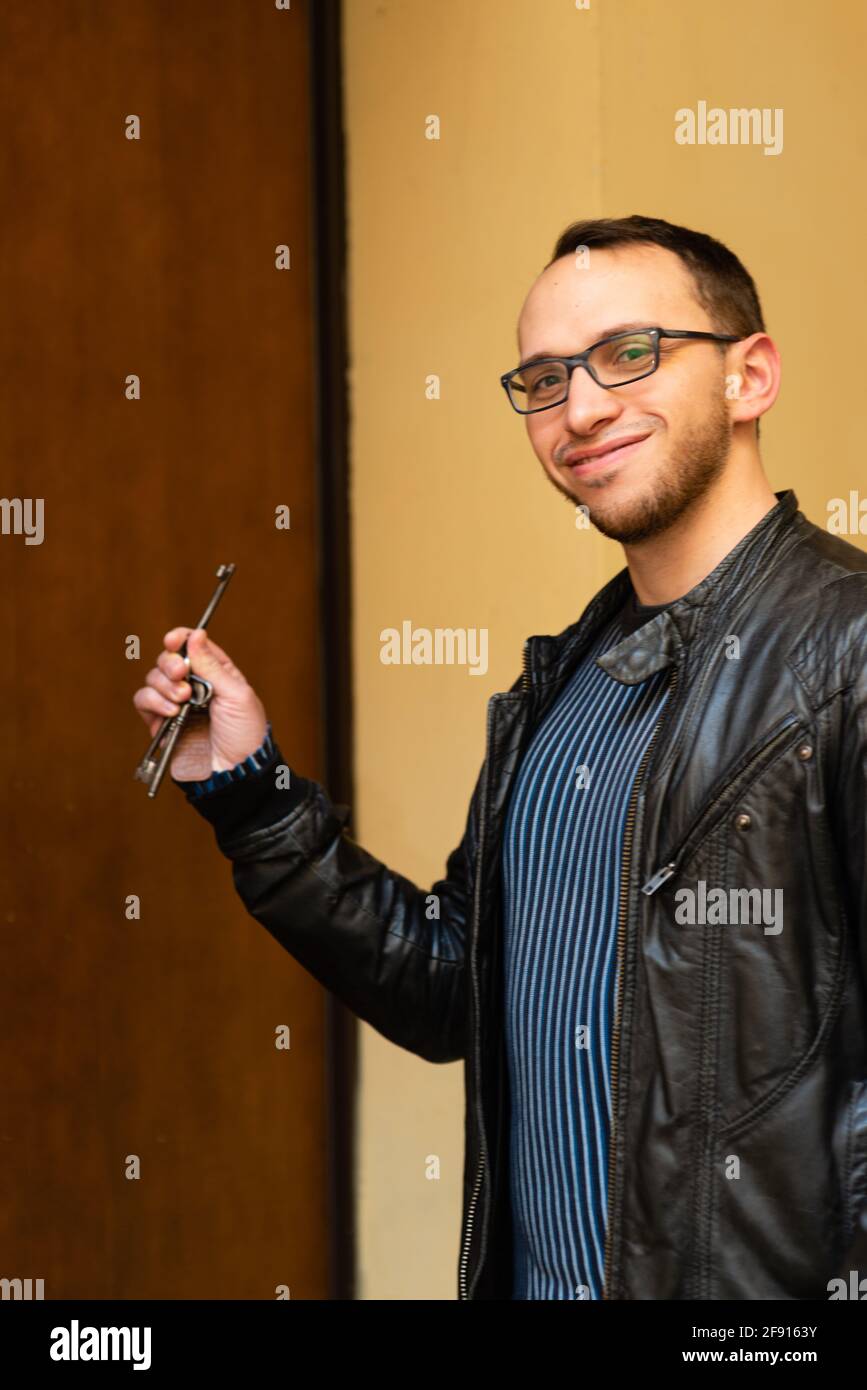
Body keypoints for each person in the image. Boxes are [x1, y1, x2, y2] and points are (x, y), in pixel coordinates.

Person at [132, 215, 867, 1301]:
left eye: (629, 354)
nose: (580, 408)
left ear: (749, 375)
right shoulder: (558, 691)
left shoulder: (847, 653)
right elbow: (448, 988)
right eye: (542, 376)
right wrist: (256, 795)